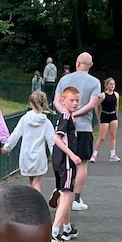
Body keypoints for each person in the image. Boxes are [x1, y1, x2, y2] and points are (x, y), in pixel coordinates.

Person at [53, 52, 101, 211]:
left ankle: (61, 190)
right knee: (82, 164)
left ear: (77, 63)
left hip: (64, 129)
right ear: (90, 65)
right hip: (84, 128)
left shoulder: (65, 79)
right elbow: (92, 104)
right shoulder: (94, 82)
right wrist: (76, 113)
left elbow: (56, 101)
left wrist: (66, 115)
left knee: (65, 162)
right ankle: (76, 199)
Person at [49, 87, 82, 242]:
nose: (75, 103)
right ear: (63, 101)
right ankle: (54, 233)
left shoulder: (66, 117)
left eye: (77, 100)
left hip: (59, 161)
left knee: (65, 194)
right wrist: (72, 155)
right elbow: (57, 139)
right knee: (67, 196)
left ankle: (67, 228)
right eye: (71, 100)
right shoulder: (66, 117)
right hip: (67, 163)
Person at [2, 91, 55, 194]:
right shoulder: (46, 123)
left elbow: (16, 134)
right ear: (44, 104)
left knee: (31, 182)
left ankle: (31, 204)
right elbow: (52, 141)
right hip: (39, 156)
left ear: (31, 103)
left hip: (26, 155)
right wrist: (56, 157)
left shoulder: (25, 119)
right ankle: (37, 205)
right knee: (37, 182)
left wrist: (7, 147)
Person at [91, 77, 120, 162]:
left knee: (113, 136)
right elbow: (96, 105)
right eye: (110, 84)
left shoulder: (116, 95)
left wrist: (116, 115)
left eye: (113, 84)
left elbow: (116, 106)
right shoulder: (103, 95)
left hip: (113, 116)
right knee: (102, 137)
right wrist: (98, 116)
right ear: (106, 85)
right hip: (105, 116)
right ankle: (94, 155)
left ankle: (113, 154)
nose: (112, 86)